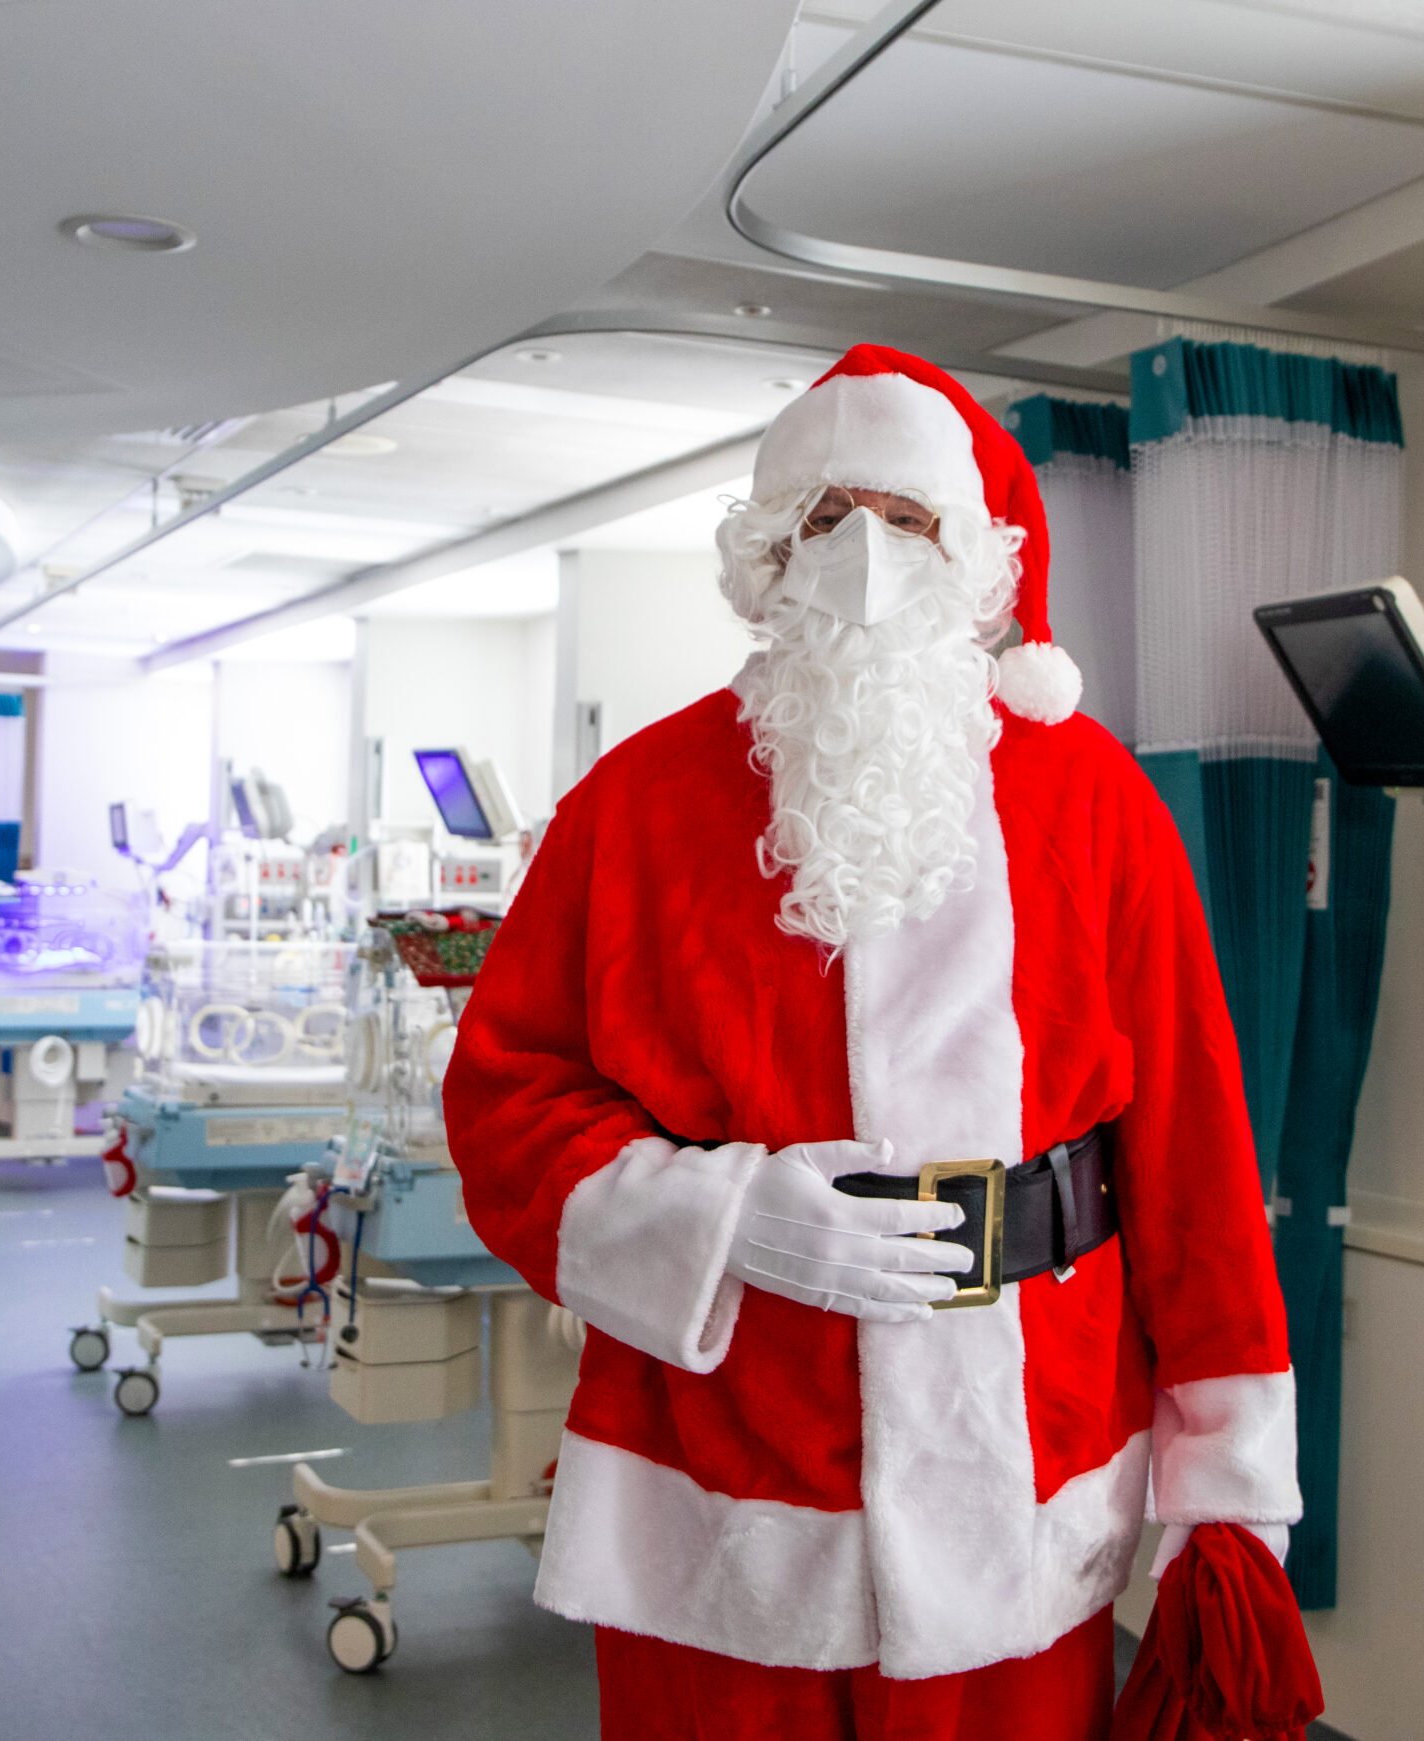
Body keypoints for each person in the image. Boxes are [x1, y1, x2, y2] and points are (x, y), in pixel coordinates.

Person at [444, 347, 1299, 1739]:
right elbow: (504, 1097)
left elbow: (1192, 1149)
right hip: (723, 1472)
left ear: (976, 561)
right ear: (765, 557)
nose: (863, 557)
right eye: (823, 518)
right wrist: (723, 1220)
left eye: (905, 523)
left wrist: (1232, 1475)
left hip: (1029, 1443)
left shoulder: (1097, 803)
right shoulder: (638, 806)